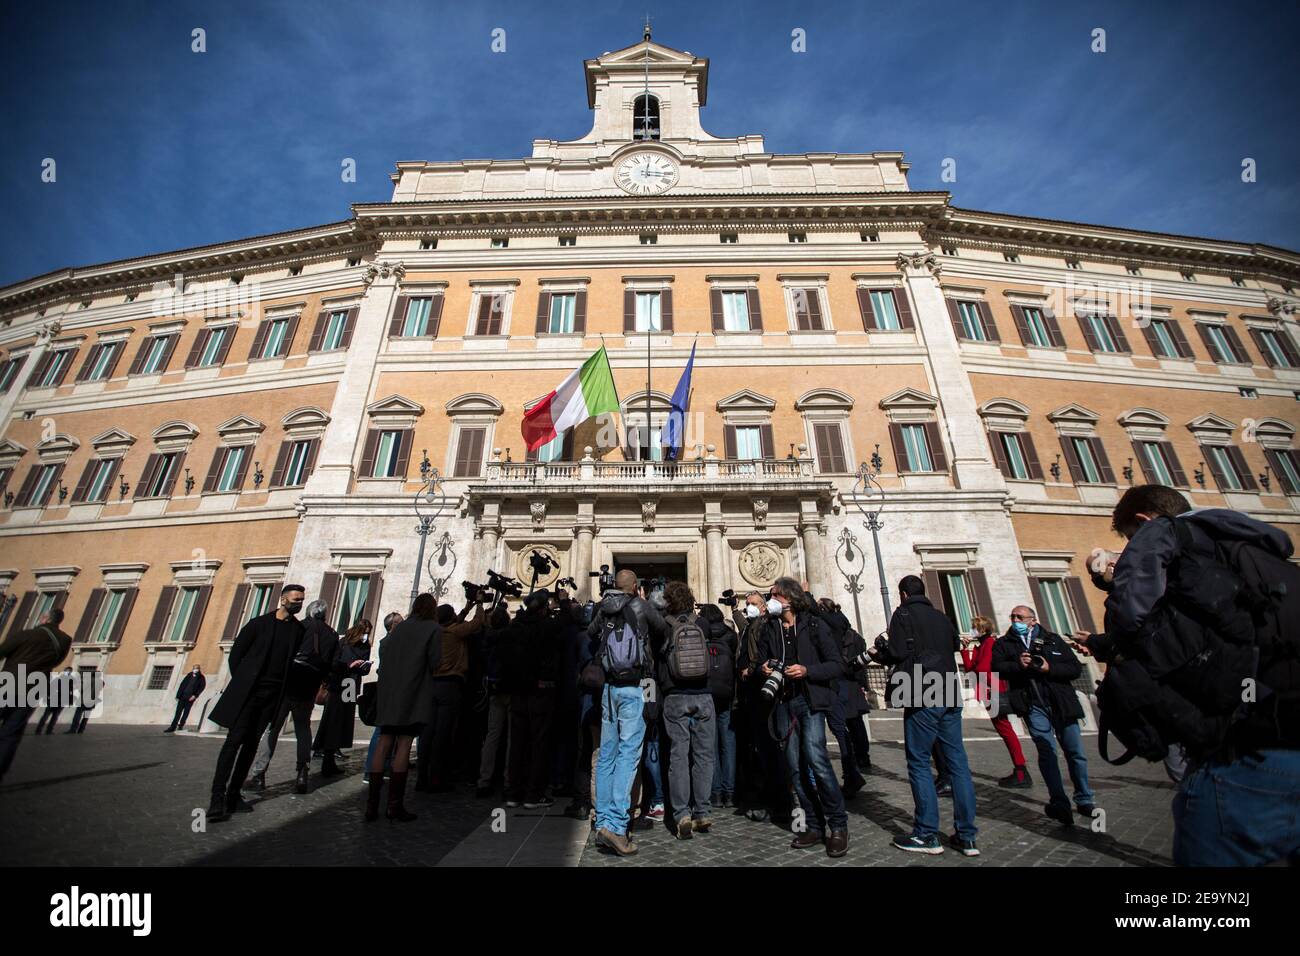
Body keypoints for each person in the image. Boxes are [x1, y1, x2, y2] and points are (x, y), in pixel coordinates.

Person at [1088, 484, 1300, 866]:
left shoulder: (1161, 532)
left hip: (1244, 752)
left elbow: (1134, 617)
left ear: (1143, 520)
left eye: (1130, 538)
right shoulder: (1249, 543)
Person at [874, 575, 979, 856]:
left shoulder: (903, 613)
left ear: (903, 594)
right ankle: (967, 836)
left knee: (919, 761)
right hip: (949, 688)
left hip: (920, 688)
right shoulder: (942, 617)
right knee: (957, 763)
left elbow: (896, 652)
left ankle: (926, 834)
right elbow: (955, 645)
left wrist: (882, 650)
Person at [757, 577, 850, 858]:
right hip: (783, 702)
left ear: (788, 598)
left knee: (817, 760)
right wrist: (764, 666)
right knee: (794, 767)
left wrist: (807, 670)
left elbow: (837, 665)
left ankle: (837, 825)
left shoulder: (814, 625)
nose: (770, 599)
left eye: (774, 595)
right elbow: (762, 658)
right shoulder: (770, 628)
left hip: (809, 700)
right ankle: (813, 824)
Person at [207, 585, 306, 821]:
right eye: (295, 599)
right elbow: (236, 655)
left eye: (302, 600)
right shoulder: (258, 624)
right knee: (233, 742)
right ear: (283, 599)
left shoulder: (298, 630)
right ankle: (216, 798)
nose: (299, 603)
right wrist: (245, 681)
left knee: (251, 745)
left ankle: (234, 795)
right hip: (249, 694)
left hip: (272, 696)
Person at [588, 569, 668, 857]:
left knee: (607, 753)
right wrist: (645, 604)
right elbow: (663, 631)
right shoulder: (641, 605)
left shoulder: (604, 608)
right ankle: (618, 826)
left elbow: (590, 633)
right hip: (636, 687)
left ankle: (603, 821)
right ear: (635, 587)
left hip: (609, 688)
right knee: (628, 755)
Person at [992, 605, 1094, 827]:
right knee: (1046, 751)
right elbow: (997, 667)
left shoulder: (1053, 640)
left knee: (1075, 751)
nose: (1015, 620)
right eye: (1013, 617)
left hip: (1061, 702)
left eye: (1020, 617)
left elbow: (1074, 669)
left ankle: (1084, 798)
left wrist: (1049, 668)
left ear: (1033, 620)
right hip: (1032, 704)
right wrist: (1018, 665)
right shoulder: (1004, 643)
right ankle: (1059, 801)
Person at [246, 598, 337, 795]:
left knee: (273, 729)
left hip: (287, 684)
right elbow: (331, 665)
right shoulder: (332, 634)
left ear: (309, 612)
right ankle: (302, 773)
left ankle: (259, 774)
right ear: (325, 613)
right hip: (308, 687)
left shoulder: (299, 627)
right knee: (303, 730)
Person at [366, 594, 441, 822]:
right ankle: (394, 805)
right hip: (414, 693)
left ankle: (371, 806)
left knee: (384, 742)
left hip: (389, 693)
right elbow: (435, 662)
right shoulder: (432, 629)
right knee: (404, 745)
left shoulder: (398, 629)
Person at [657, 581, 716, 840]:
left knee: (678, 755)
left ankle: (681, 813)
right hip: (703, 694)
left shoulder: (663, 625)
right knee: (704, 755)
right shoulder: (702, 623)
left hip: (674, 695)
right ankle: (702, 811)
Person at [416, 593, 486, 792]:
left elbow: (457, 623)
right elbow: (477, 623)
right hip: (450, 686)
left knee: (427, 733)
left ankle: (422, 776)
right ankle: (437, 779)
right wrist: (479, 604)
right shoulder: (456, 633)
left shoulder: (437, 631)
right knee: (443, 734)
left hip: (432, 685)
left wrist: (466, 607)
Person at [0, 609, 73, 783]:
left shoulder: (28, 634)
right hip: (35, 687)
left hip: (11, 682)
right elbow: (57, 661)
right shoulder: (64, 640)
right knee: (12, 732)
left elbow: (2, 650)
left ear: (44, 618)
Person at [505, 591, 561, 809]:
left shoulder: (515, 626)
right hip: (540, 689)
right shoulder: (547, 627)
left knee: (517, 742)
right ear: (544, 608)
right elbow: (564, 626)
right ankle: (533, 793)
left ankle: (512, 791)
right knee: (539, 742)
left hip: (518, 689)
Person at [960, 615, 1030, 788]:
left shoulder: (991, 643)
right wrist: (965, 650)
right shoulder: (980, 645)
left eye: (974, 627)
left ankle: (1021, 770)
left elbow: (983, 668)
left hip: (994, 690)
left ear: (982, 629)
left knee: (1006, 730)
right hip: (986, 690)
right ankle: (1020, 769)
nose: (972, 630)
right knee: (1003, 729)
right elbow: (969, 670)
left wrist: (976, 660)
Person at [810, 596, 868, 798]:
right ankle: (852, 774)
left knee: (832, 731)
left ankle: (846, 776)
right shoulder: (839, 622)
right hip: (835, 683)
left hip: (832, 684)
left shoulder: (831, 623)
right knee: (839, 729)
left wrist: (807, 598)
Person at [314, 619, 373, 776]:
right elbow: (335, 663)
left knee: (343, 719)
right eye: (365, 632)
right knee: (334, 718)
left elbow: (365, 669)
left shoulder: (365, 645)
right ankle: (326, 751)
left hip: (351, 683)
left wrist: (363, 666)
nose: (366, 636)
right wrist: (349, 666)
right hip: (341, 682)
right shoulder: (343, 642)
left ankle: (333, 749)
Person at [699, 603, 738, 808]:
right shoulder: (730, 635)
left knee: (709, 744)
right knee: (728, 742)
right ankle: (730, 792)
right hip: (727, 692)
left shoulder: (700, 634)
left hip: (706, 691)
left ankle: (715, 793)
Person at [363, 611, 404, 786]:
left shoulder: (388, 642)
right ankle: (371, 770)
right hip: (389, 692)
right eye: (401, 623)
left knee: (387, 731)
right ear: (393, 626)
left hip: (388, 690)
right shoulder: (391, 642)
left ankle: (382, 767)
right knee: (381, 731)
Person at [164, 665, 206, 734]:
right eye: (194, 668)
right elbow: (182, 685)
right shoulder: (189, 675)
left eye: (196, 668)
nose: (195, 669)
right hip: (182, 696)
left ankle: (181, 725)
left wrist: (195, 696)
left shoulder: (201, 677)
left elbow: (201, 687)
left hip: (190, 698)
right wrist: (178, 695)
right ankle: (173, 726)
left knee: (186, 712)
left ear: (198, 669)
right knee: (178, 712)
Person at [36, 666, 76, 734]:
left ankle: (40, 730)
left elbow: (70, 692)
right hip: (57, 701)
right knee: (52, 716)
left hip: (56, 701)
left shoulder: (61, 680)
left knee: (49, 716)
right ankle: (47, 730)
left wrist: (46, 698)